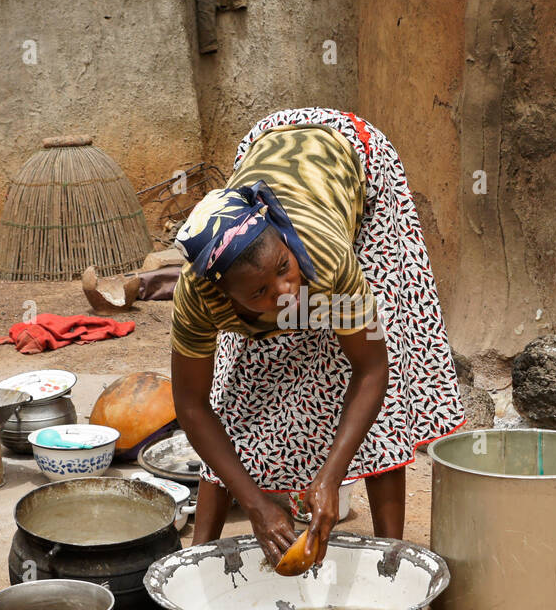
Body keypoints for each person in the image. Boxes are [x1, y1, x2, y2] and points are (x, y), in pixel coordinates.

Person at [169, 107, 465, 566]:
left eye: (283, 269)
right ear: (224, 295)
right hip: (269, 148)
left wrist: (330, 478)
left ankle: (392, 563)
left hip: (355, 157)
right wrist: (255, 503)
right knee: (239, 385)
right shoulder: (198, 299)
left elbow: (372, 370)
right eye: (260, 292)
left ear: (283, 238)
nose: (286, 292)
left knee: (377, 368)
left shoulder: (326, 258)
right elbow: (193, 405)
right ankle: (198, 564)